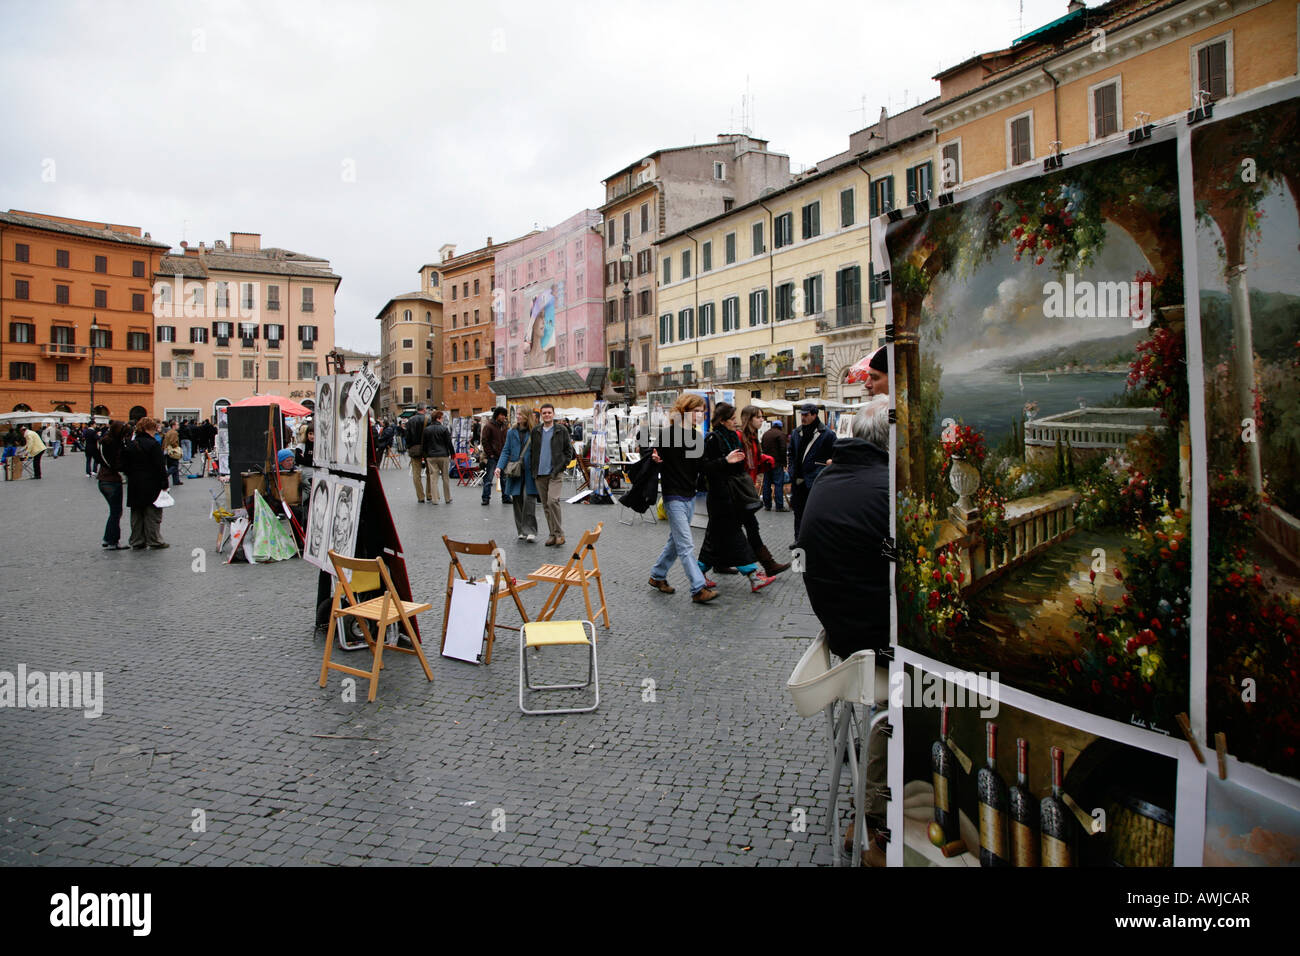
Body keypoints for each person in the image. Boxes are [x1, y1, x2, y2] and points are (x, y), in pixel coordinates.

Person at [799, 395, 892, 865]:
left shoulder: (828, 479)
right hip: (874, 647)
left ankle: (870, 817)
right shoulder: (888, 488)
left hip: (839, 632)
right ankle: (879, 823)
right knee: (928, 696)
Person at [645, 393, 716, 604]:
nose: (700, 415)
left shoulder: (696, 437)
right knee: (686, 544)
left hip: (690, 496)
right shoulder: (668, 434)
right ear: (685, 411)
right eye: (696, 411)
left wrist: (725, 461)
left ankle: (657, 575)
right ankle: (698, 588)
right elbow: (650, 453)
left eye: (702, 411)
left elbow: (703, 467)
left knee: (676, 542)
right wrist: (655, 458)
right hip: (673, 495)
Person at [697, 402, 772, 593]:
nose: (735, 422)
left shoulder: (733, 437)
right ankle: (753, 575)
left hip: (732, 494)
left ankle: (698, 572)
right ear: (722, 421)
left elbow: (738, 465)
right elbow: (705, 468)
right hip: (719, 496)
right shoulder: (712, 439)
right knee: (734, 536)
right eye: (731, 419)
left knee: (714, 539)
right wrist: (726, 461)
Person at [739, 406, 790, 577]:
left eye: (762, 417)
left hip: (746, 488)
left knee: (726, 531)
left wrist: (765, 460)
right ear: (749, 418)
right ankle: (767, 565)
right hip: (739, 490)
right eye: (759, 417)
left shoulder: (754, 438)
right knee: (749, 528)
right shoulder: (741, 437)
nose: (762, 420)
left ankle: (712, 564)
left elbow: (754, 463)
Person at [788, 403, 835, 545]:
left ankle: (814, 540)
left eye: (806, 415)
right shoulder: (797, 432)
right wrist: (791, 469)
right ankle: (799, 540)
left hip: (815, 480)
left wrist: (825, 468)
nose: (803, 417)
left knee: (814, 512)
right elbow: (791, 453)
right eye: (801, 414)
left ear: (814, 415)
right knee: (798, 511)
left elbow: (835, 455)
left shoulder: (827, 434)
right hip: (798, 479)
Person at [529, 403, 574, 547]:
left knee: (552, 501)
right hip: (540, 473)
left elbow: (569, 450)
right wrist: (533, 468)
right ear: (541, 415)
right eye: (544, 413)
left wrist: (563, 464)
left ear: (553, 414)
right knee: (545, 506)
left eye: (549, 412)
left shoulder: (561, 430)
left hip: (555, 472)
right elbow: (533, 451)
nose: (547, 415)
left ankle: (560, 534)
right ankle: (552, 534)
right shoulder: (536, 430)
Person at [123, 418, 169, 549]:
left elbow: (125, 465)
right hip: (151, 482)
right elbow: (160, 466)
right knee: (152, 513)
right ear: (150, 428)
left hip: (135, 483)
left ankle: (137, 540)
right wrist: (164, 483)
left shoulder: (132, 444)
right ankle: (154, 539)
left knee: (136, 513)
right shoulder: (153, 444)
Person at [495, 407, 539, 541]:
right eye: (517, 414)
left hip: (530, 471)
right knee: (517, 500)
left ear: (526, 416)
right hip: (515, 471)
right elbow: (506, 451)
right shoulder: (511, 432)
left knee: (529, 499)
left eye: (520, 414)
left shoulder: (535, 432)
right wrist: (499, 467)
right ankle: (521, 530)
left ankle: (531, 530)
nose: (517, 416)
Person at [95, 421, 129, 549]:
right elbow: (117, 463)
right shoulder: (115, 444)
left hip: (103, 479)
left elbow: (100, 458)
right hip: (112, 479)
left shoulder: (104, 441)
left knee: (114, 511)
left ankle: (108, 538)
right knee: (116, 511)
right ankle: (113, 541)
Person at [480, 407, 511, 506]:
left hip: (503, 456)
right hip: (492, 456)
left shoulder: (505, 426)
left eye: (504, 415)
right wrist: (490, 454)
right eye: (502, 415)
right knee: (489, 478)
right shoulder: (489, 426)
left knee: (504, 478)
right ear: (497, 415)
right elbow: (484, 441)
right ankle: (486, 498)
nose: (503, 417)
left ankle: (506, 497)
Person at [405, 404, 432, 503]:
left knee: (416, 473)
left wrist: (409, 446)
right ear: (424, 409)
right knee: (430, 472)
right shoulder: (428, 420)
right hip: (427, 449)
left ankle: (420, 496)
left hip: (414, 448)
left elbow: (407, 436)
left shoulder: (410, 420)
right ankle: (429, 494)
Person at [760, 419, 789, 511]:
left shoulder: (766, 434)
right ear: (780, 426)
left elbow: (763, 447)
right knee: (778, 484)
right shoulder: (780, 434)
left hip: (767, 463)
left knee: (766, 484)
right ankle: (779, 506)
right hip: (777, 463)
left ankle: (767, 505)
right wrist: (784, 462)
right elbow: (783, 449)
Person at [162, 423, 184, 487]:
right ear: (174, 426)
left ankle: (176, 480)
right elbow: (173, 442)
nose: (178, 426)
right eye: (177, 425)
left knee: (171, 465)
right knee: (174, 465)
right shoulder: (174, 433)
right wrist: (177, 447)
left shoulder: (168, 432)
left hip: (167, 450)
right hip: (172, 450)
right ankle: (166, 474)